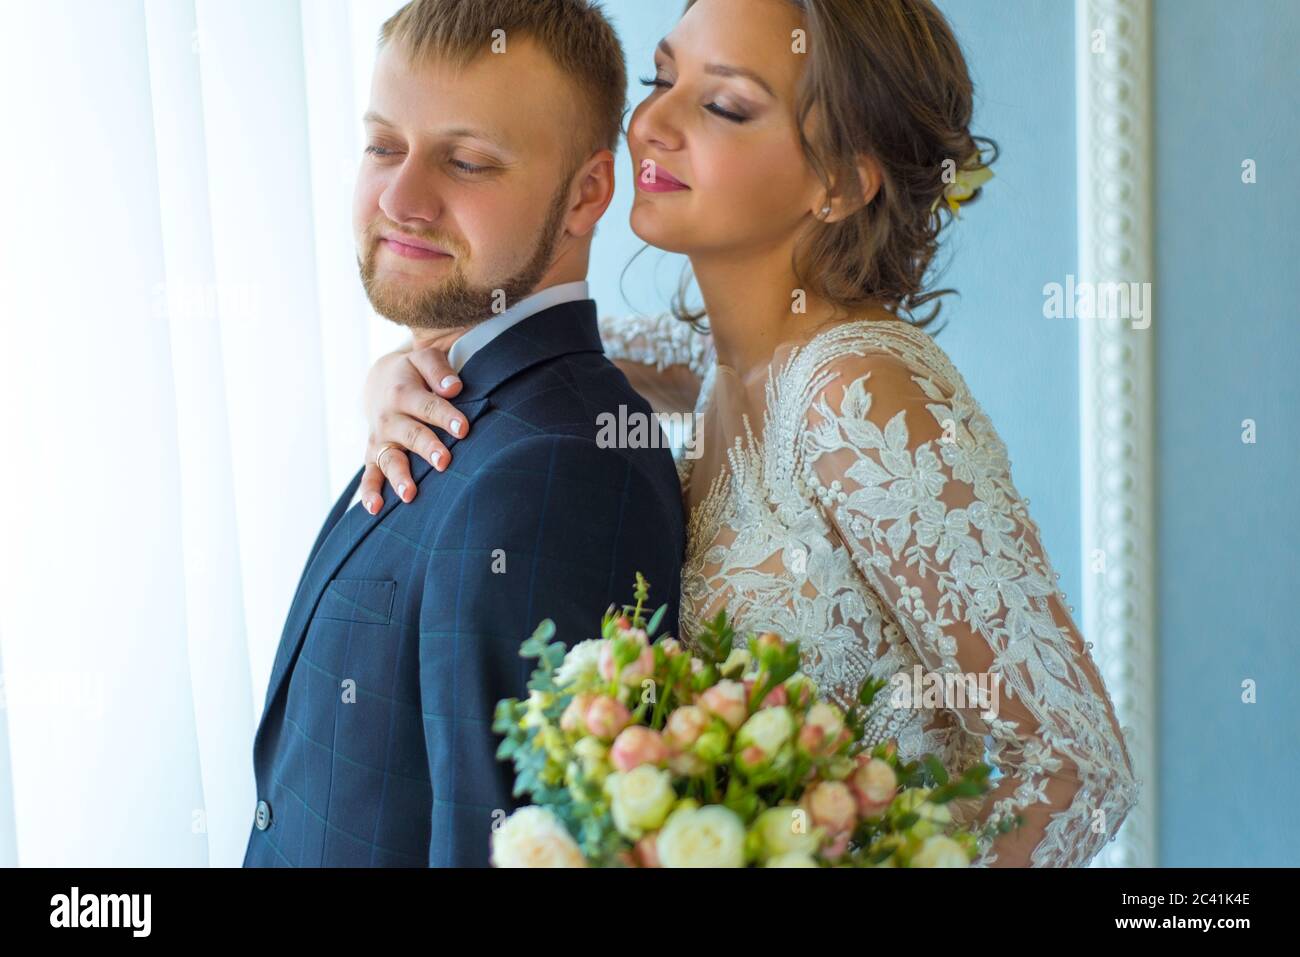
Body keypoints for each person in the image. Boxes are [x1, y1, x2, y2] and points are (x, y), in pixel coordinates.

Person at [358, 0, 1143, 866]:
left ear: (840, 180)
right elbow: (534, 355)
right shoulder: (711, 360)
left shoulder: (857, 394)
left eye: (724, 105)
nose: (651, 122)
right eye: (662, 79)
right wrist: (405, 369)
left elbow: (1077, 768)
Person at [244, 0, 684, 868]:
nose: (400, 199)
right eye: (382, 146)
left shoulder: (559, 469)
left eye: (468, 160)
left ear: (587, 193)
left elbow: (503, 845)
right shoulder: (449, 401)